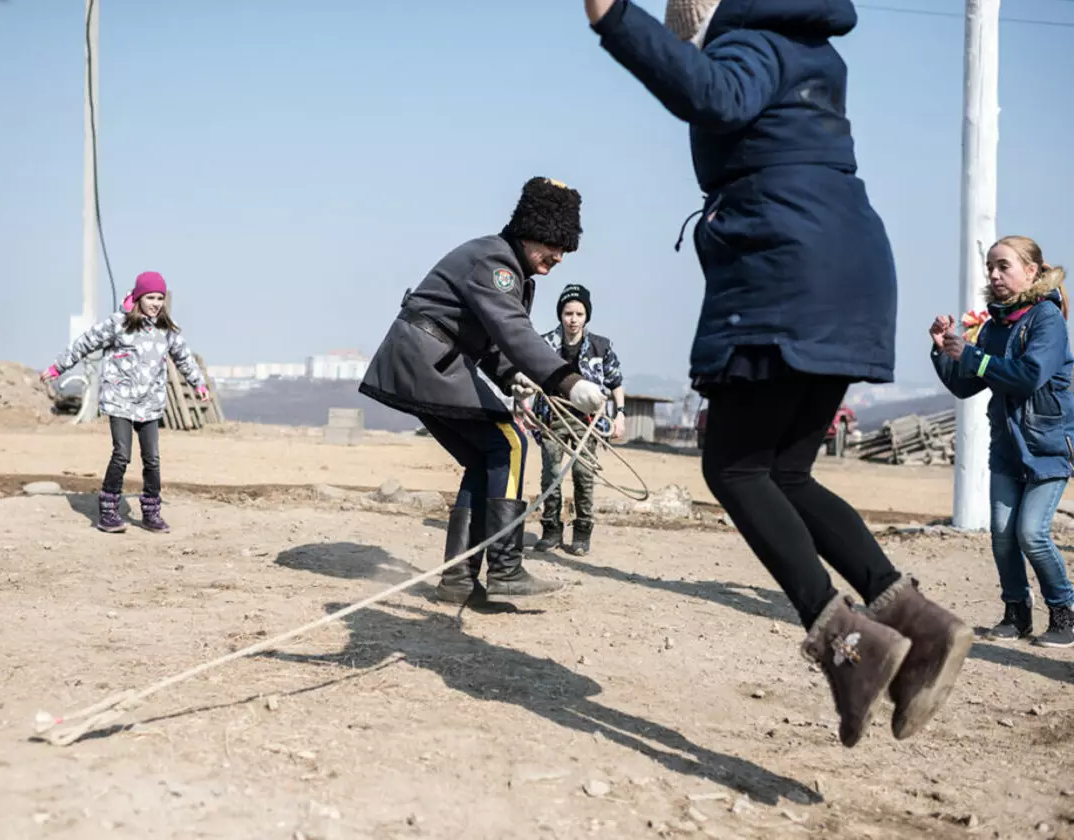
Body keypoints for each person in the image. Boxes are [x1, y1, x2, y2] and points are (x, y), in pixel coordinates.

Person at [583, 0, 972, 748]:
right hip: (847, 268)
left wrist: (613, 18)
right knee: (786, 471)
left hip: (788, 270)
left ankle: (851, 652)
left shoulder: (751, 37)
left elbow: (715, 94)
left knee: (732, 466)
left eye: (679, 24)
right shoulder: (808, 42)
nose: (680, 38)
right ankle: (916, 624)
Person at [359, 177, 607, 605]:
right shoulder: (496, 263)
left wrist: (514, 378)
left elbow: (492, 342)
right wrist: (568, 381)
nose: (559, 257)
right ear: (530, 231)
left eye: (565, 249)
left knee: (484, 455)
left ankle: (458, 579)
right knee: (510, 443)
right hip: (429, 361)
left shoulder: (512, 271)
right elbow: (512, 331)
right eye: (553, 244)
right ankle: (506, 569)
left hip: (430, 361)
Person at [931, 237, 1074, 649]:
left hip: (1047, 447)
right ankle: (1016, 614)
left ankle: (1063, 612)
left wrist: (971, 355)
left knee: (1032, 533)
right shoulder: (993, 327)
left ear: (1032, 271)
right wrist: (944, 351)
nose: (994, 274)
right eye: (990, 267)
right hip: (1008, 449)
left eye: (1003, 266)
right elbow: (965, 385)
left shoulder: (1048, 319)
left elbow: (1029, 374)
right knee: (1002, 533)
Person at [41, 272, 209, 534]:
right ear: (138, 296)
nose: (155, 303)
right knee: (122, 455)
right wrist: (57, 368)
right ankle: (108, 510)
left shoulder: (166, 329)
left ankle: (151, 512)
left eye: (160, 298)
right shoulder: (117, 324)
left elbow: (184, 357)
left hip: (150, 404)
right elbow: (84, 344)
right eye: (150, 297)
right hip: (120, 401)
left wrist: (198, 383)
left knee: (152, 459)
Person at [530, 284, 625, 556]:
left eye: (579, 314)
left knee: (584, 474)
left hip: (588, 421)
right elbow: (530, 376)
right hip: (552, 416)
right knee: (551, 474)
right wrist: (524, 409)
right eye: (568, 313)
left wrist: (620, 414)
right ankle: (550, 530)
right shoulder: (545, 343)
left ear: (586, 316)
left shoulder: (600, 346)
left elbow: (615, 382)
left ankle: (582, 531)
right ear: (561, 314)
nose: (573, 319)